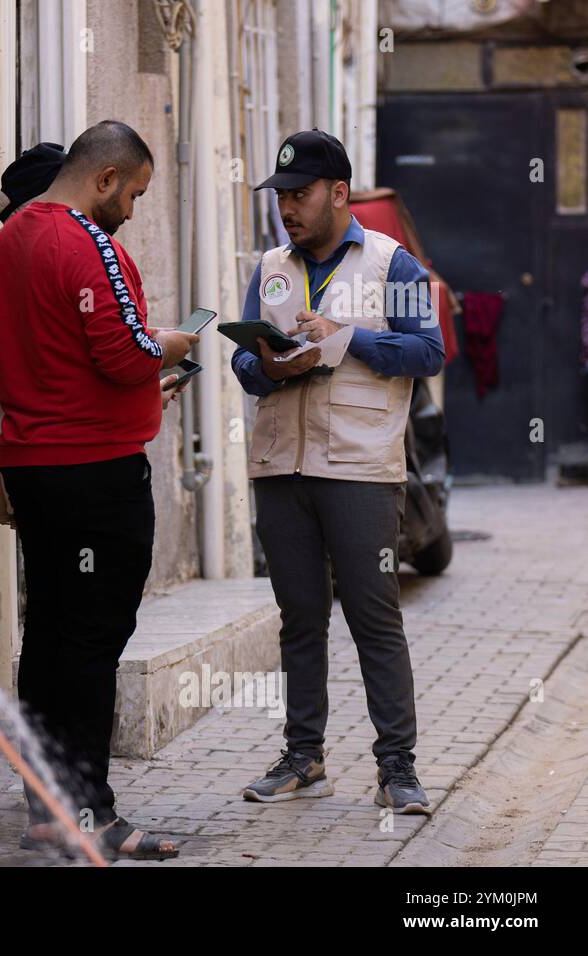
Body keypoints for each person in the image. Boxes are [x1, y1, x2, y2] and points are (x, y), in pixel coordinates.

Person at [0, 121, 197, 860]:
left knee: (50, 635)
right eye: (133, 192)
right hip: (94, 475)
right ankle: (90, 811)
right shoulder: (84, 241)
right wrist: (172, 343)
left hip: (40, 465)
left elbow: (59, 358)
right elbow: (123, 350)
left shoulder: (9, 240)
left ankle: (47, 803)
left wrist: (137, 387)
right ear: (103, 177)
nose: (133, 211)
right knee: (93, 645)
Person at [231, 129, 444, 814]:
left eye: (299, 195)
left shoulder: (394, 266)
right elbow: (243, 360)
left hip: (358, 468)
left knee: (373, 618)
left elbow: (428, 352)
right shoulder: (269, 266)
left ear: (339, 193)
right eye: (282, 196)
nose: (287, 207)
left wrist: (345, 340)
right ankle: (303, 757)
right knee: (298, 617)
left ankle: (397, 767)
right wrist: (263, 363)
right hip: (279, 466)